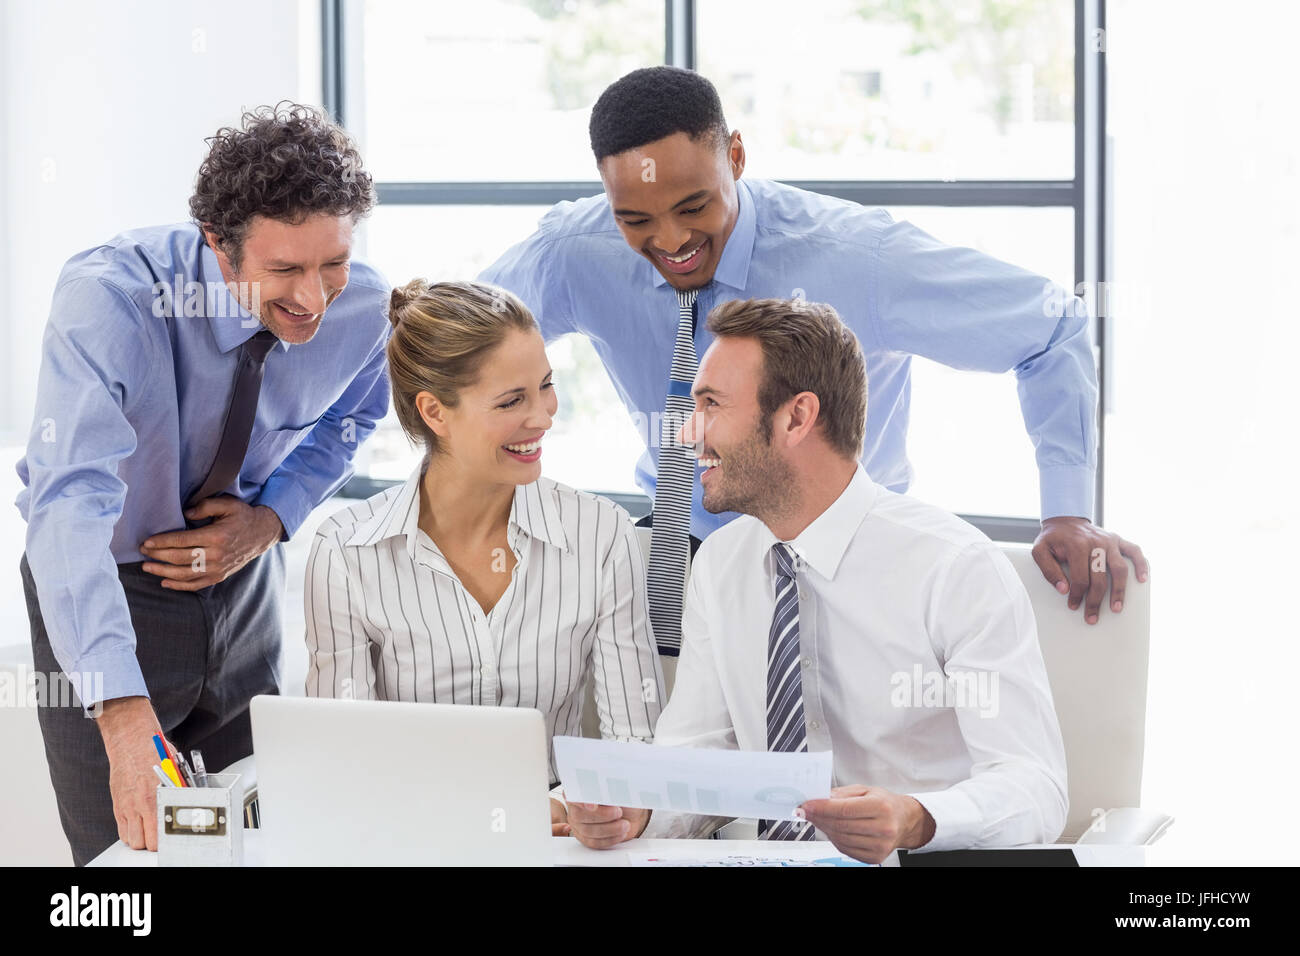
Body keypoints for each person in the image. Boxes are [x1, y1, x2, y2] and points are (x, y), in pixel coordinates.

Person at [480, 66, 1148, 653]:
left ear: (735, 156)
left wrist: (1066, 511)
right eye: (635, 220)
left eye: (694, 206)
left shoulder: (858, 258)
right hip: (682, 555)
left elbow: (1051, 327)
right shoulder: (577, 250)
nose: (672, 240)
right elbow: (452, 341)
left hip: (851, 561)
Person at [15, 103, 391, 865]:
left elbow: (354, 418)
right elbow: (66, 510)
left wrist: (273, 518)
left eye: (333, 264)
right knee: (130, 862)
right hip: (111, 592)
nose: (315, 299)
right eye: (284, 271)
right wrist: (121, 716)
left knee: (260, 839)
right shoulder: (111, 301)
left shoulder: (364, 307)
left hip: (246, 585)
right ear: (218, 246)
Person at [565, 298, 1068, 863]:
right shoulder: (720, 562)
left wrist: (916, 818)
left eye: (710, 405)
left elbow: (1035, 788)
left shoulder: (955, 568)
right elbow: (701, 752)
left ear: (797, 417)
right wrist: (642, 807)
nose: (685, 432)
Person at [304, 279, 664, 836]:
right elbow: (343, 761)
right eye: (511, 400)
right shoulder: (346, 550)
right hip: (408, 835)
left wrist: (603, 808)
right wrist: (475, 813)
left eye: (545, 386)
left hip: (557, 836)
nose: (543, 416)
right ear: (435, 412)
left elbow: (634, 746)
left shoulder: (600, 534)